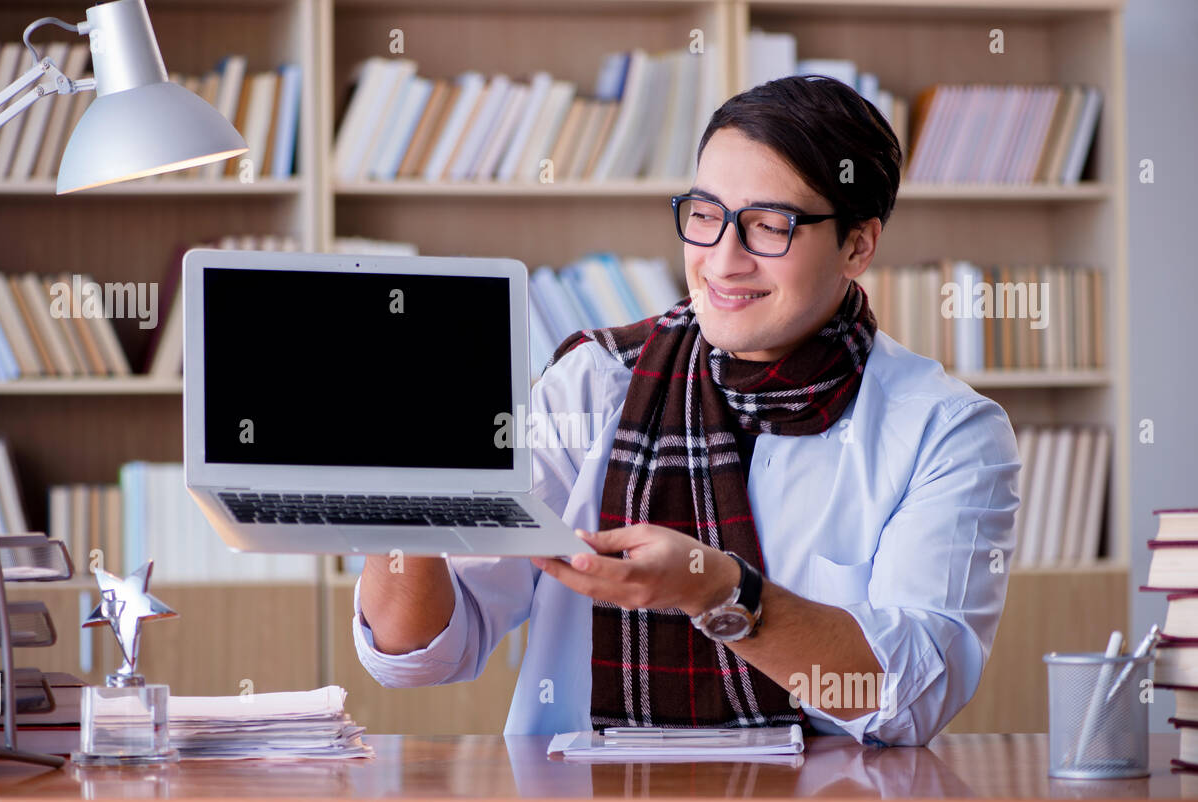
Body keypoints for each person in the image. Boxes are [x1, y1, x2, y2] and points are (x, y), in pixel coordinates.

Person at [355, 75, 1021, 746]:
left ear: (858, 244)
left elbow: (912, 695)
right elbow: (423, 650)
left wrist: (718, 592)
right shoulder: (594, 384)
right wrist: (406, 487)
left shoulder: (948, 431)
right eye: (705, 216)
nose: (722, 261)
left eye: (769, 226)